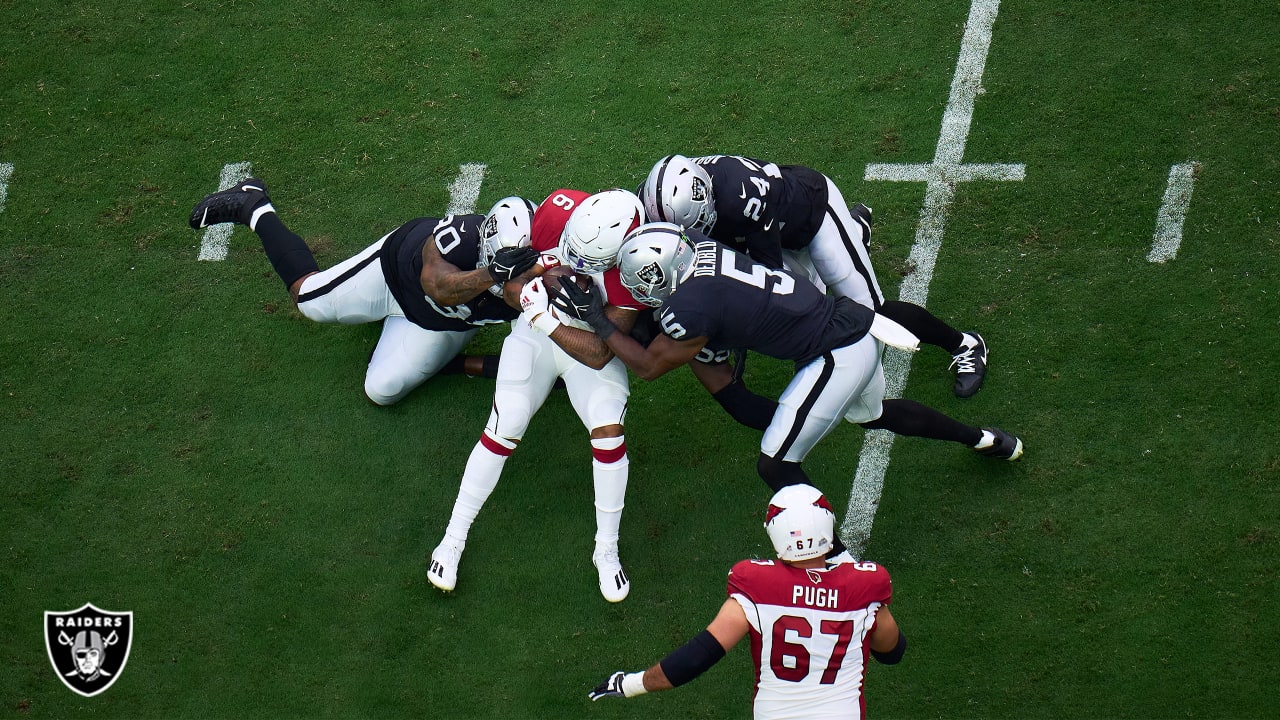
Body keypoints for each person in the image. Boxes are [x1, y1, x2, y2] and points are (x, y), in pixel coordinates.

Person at [555, 223, 1023, 500]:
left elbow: (648, 367)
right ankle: (986, 439)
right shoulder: (701, 246)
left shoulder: (688, 308)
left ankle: (830, 561)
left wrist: (597, 318)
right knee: (874, 413)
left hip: (833, 354)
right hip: (849, 322)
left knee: (775, 465)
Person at [425, 188, 646, 602]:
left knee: (609, 431)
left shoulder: (639, 261)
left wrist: (570, 317)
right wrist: (529, 293)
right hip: (534, 334)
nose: (578, 264)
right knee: (505, 423)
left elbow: (599, 354)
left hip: (585, 344)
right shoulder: (557, 211)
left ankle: (606, 548)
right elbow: (511, 289)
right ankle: (453, 537)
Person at [638, 153, 989, 398]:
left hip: (810, 217)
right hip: (762, 229)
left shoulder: (739, 198)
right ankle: (853, 235)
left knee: (862, 312)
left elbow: (772, 279)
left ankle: (964, 343)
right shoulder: (666, 196)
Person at [188, 179, 539, 405]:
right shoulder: (462, 236)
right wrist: (490, 275)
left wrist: (459, 365)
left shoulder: (547, 286)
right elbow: (438, 287)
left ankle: (416, 344)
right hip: (394, 274)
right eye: (516, 280)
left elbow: (543, 371)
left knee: (382, 391)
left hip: (443, 324)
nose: (523, 290)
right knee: (310, 300)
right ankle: (255, 206)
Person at [589, 483, 906, 720]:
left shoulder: (757, 584)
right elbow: (893, 652)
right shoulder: (866, 584)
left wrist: (629, 684)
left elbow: (698, 656)